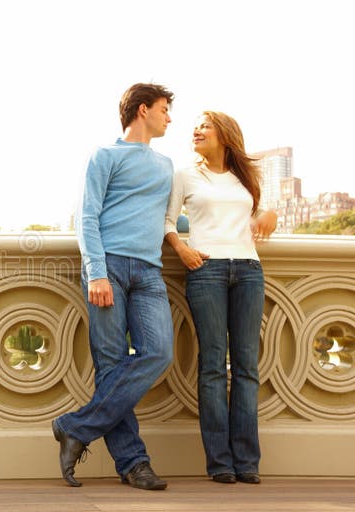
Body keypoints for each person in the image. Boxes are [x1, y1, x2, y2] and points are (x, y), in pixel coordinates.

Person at [52, 83, 175, 490]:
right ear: (142, 111)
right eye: (164, 109)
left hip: (148, 271)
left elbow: (166, 216)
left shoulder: (165, 165)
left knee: (158, 352)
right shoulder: (105, 156)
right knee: (110, 366)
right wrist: (97, 271)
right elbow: (87, 217)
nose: (169, 117)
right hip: (108, 269)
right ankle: (134, 464)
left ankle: (75, 427)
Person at [163, 111, 277, 485]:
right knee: (212, 364)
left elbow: (265, 212)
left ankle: (247, 461)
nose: (196, 130)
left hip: (248, 270)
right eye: (195, 126)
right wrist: (182, 249)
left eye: (204, 126)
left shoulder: (246, 177)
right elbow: (166, 221)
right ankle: (220, 463)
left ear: (224, 135)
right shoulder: (184, 175)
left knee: (246, 367)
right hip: (206, 269)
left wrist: (269, 216)